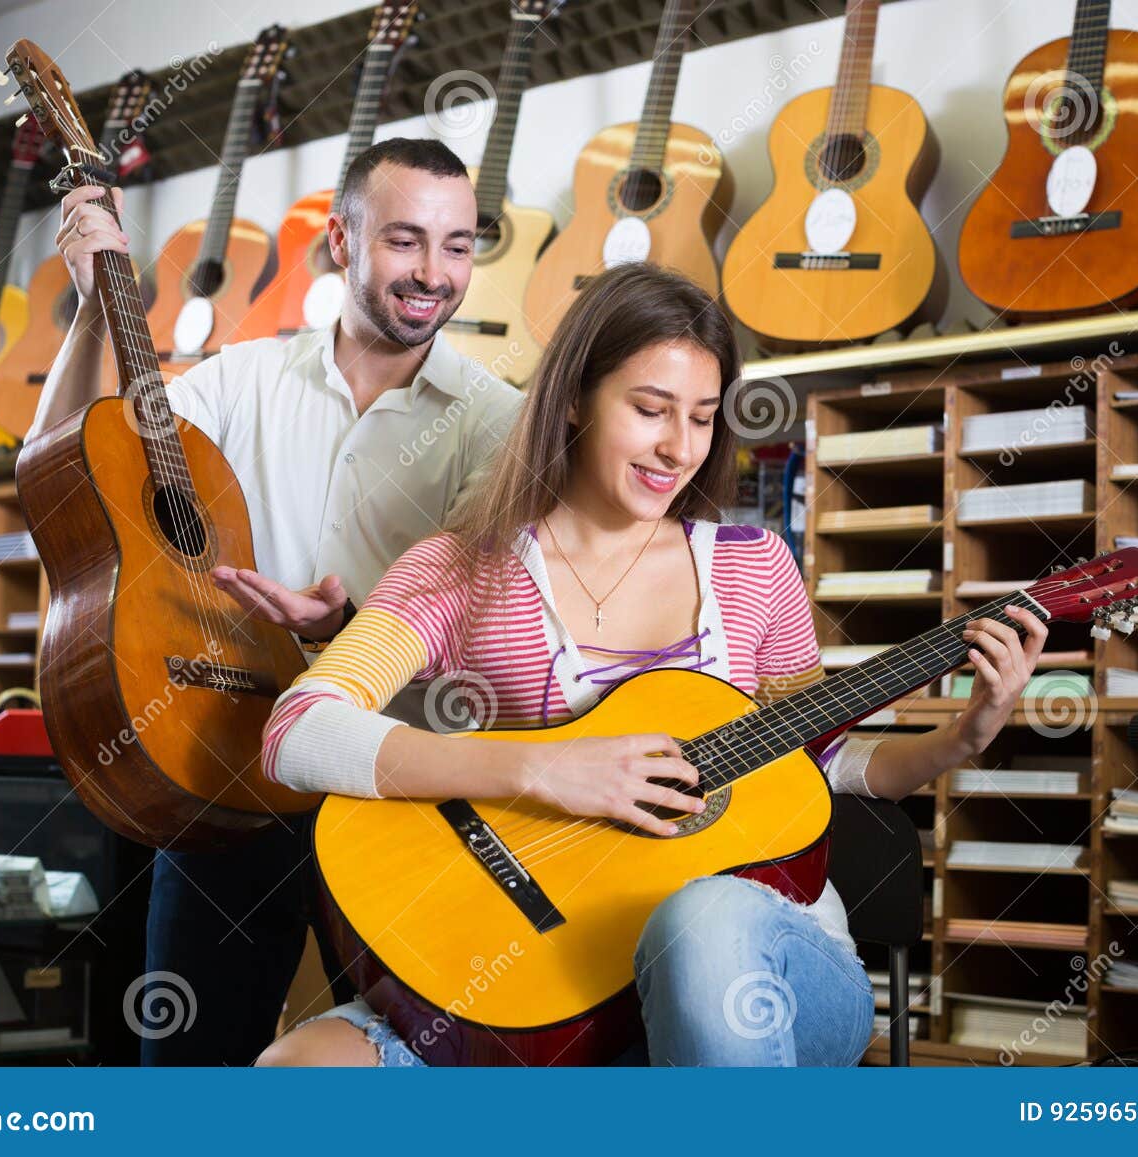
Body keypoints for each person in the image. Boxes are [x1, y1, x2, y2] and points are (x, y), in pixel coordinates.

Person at [254, 262, 1047, 1067]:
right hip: (544, 967)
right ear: (571, 398)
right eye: (649, 409)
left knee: (702, 923)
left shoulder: (755, 567)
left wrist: (965, 735)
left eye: (702, 418)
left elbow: (826, 757)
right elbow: (297, 733)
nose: (680, 448)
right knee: (295, 1075)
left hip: (766, 969)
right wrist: (544, 770)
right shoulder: (463, 570)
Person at [27, 136, 524, 1065]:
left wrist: (344, 628)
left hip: (394, 800)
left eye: (456, 246)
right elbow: (63, 459)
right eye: (405, 240)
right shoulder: (240, 379)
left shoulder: (499, 423)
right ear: (341, 239)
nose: (433, 272)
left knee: (402, 1078)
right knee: (189, 1075)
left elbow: (483, 631)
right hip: (225, 778)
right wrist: (95, 311)